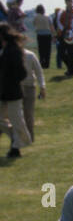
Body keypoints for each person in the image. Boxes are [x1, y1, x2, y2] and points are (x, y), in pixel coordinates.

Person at [1, 25, 31, 157]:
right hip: (2, 91)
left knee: (17, 120)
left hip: (13, 91)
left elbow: (22, 73)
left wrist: (9, 79)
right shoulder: (3, 50)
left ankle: (16, 146)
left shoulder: (13, 50)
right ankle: (17, 138)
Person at [19, 29, 45, 142]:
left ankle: (30, 137)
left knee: (28, 114)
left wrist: (42, 86)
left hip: (29, 87)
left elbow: (39, 72)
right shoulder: (8, 54)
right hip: (16, 88)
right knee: (16, 115)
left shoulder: (30, 55)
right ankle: (19, 137)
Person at [56, 0, 73, 77]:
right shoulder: (61, 12)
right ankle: (70, 66)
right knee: (61, 52)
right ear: (65, 2)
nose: (68, 3)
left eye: (70, 1)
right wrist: (64, 29)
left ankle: (72, 70)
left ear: (72, 2)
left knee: (72, 52)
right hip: (64, 33)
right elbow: (59, 22)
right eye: (67, 1)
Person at [31, 4, 53, 68]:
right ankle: (47, 64)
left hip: (40, 34)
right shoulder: (48, 17)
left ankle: (42, 62)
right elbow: (51, 26)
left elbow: (34, 24)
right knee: (47, 50)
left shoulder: (36, 17)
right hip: (48, 34)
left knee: (41, 50)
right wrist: (54, 34)